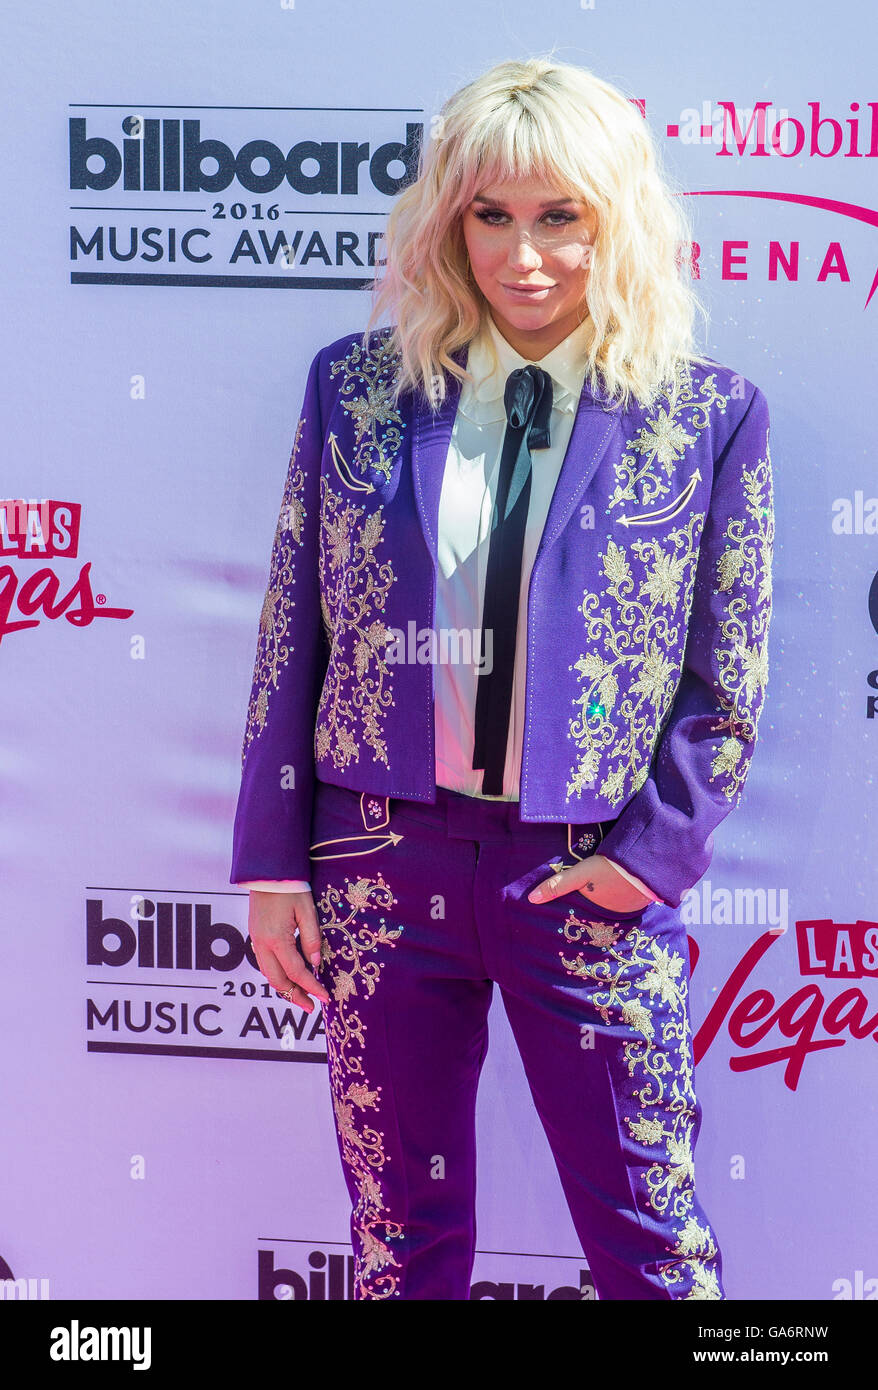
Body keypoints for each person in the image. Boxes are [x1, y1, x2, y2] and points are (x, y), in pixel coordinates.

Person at [230, 55, 774, 1301]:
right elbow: (291, 631)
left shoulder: (702, 415)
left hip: (579, 876)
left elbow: (723, 675)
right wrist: (273, 864)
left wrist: (647, 858)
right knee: (400, 1250)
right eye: (491, 215)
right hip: (377, 866)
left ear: (615, 220)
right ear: (448, 219)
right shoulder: (357, 389)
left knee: (651, 1247)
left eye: (558, 217)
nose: (522, 257)